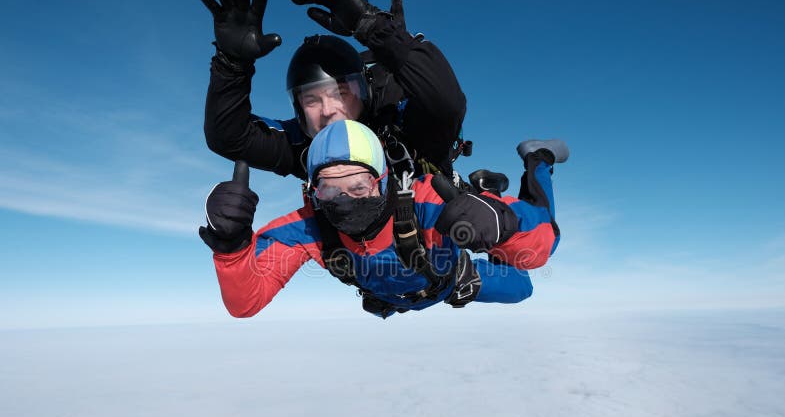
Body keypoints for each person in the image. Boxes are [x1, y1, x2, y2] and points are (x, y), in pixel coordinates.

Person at [199, 120, 565, 318]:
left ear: (383, 179)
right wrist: (232, 248)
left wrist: (501, 223)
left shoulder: (427, 200)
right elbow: (246, 303)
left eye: (359, 184)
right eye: (329, 188)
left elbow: (540, 249)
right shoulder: (308, 228)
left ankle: (538, 161)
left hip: (455, 280)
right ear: (312, 190)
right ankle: (494, 212)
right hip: (401, 297)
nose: (345, 198)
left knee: (523, 282)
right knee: (519, 277)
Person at [200, 0, 468, 181]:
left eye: (340, 92)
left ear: (364, 90)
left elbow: (446, 103)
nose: (327, 110)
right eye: (311, 100)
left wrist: (371, 26)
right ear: (298, 108)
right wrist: (231, 66)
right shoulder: (305, 145)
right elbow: (227, 137)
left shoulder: (400, 122)